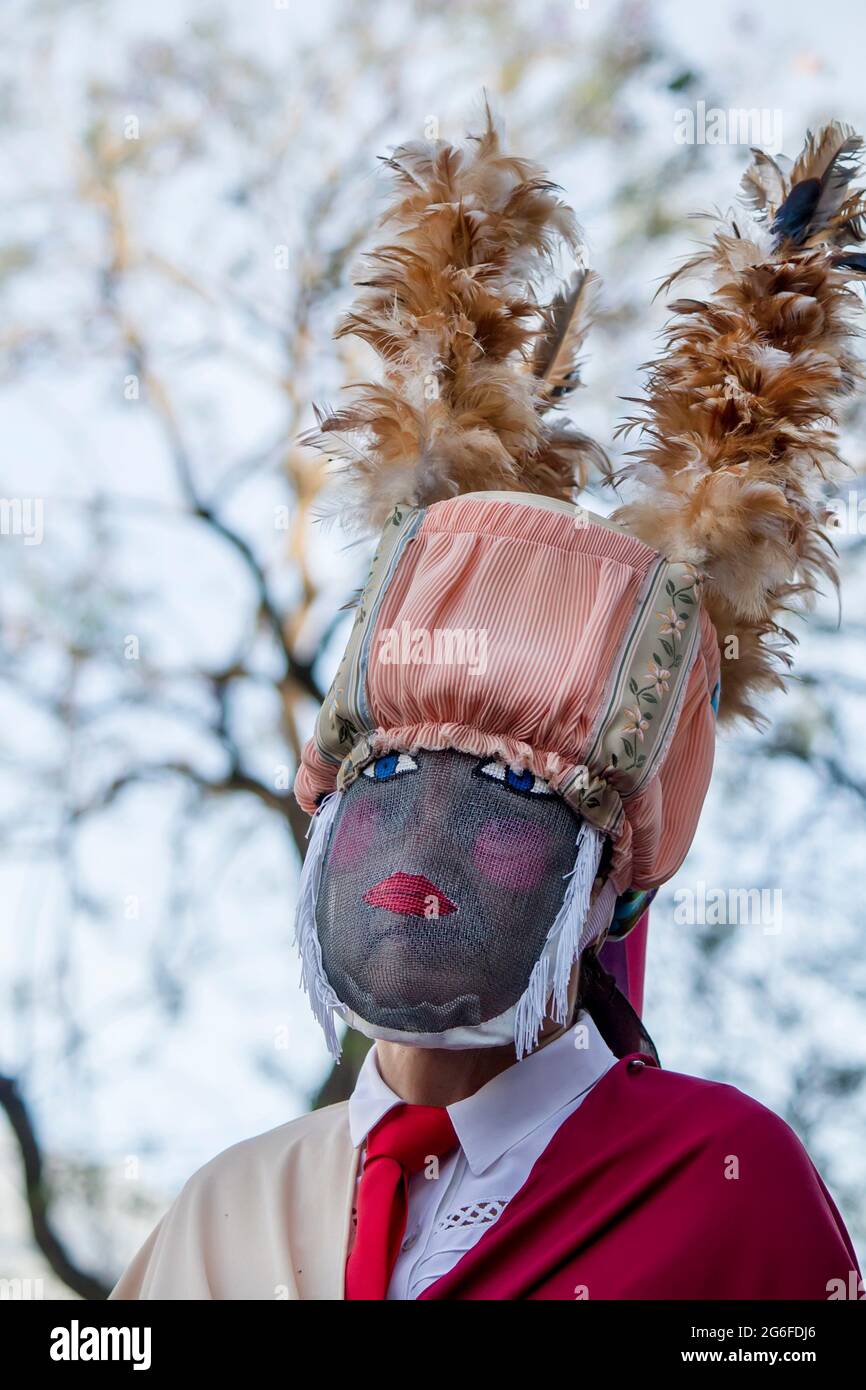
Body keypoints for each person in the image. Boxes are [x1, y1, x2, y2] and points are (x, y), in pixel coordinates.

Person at [112, 111, 864, 1301]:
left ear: (613, 876)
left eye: (511, 792)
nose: (425, 842)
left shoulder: (724, 1184)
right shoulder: (222, 1213)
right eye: (388, 781)